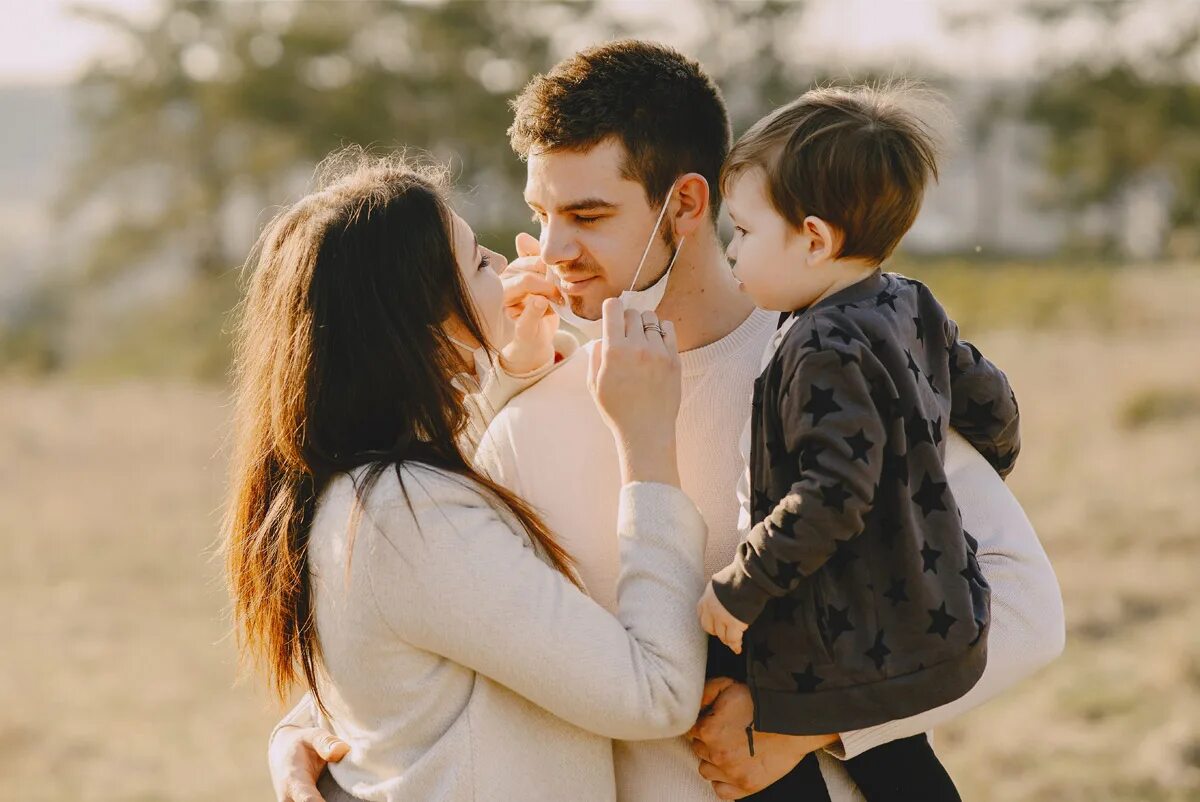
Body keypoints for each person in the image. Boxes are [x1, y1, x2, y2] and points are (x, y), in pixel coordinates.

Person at [269, 42, 1065, 802]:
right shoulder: (530, 408)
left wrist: (806, 729)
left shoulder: (834, 363)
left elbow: (1027, 607)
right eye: (540, 213)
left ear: (685, 203)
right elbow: (449, 611)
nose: (552, 250)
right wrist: (317, 723)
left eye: (587, 214)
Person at [224, 151, 718, 802]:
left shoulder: (355, 482)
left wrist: (505, 362)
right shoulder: (406, 515)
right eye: (482, 264)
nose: (517, 268)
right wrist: (648, 447)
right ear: (425, 324)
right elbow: (655, 694)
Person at [694, 84, 1021, 802]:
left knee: (718, 668)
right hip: (924, 618)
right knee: (900, 762)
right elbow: (992, 404)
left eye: (744, 232)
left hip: (841, 630)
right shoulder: (910, 302)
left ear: (815, 239)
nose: (731, 248)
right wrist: (937, 482)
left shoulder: (821, 344)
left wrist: (743, 581)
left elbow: (833, 494)